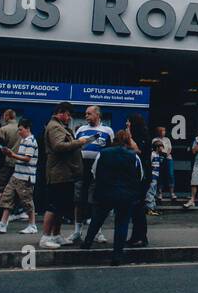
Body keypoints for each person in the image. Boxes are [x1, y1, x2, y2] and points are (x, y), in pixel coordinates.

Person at [82, 129, 143, 264]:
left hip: (105, 192)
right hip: (126, 195)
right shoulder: (134, 156)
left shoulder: (103, 154)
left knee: (97, 220)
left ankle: (87, 244)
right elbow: (140, 175)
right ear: (128, 141)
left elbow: (94, 172)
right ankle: (117, 256)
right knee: (122, 224)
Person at [40, 102, 92, 249]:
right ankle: (45, 237)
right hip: (58, 173)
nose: (69, 118)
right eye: (68, 115)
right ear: (61, 112)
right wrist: (79, 142)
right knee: (54, 206)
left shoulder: (60, 126)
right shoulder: (54, 126)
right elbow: (58, 146)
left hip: (65, 173)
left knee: (61, 207)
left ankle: (56, 235)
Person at [72, 106, 116, 243]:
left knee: (96, 202)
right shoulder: (80, 130)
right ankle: (77, 232)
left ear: (97, 115)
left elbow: (111, 151)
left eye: (89, 114)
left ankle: (98, 232)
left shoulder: (108, 131)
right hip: (81, 169)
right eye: (85, 114)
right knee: (79, 201)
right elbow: (74, 147)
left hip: (98, 171)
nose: (86, 116)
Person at [0, 118, 39, 235]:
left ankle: (32, 225)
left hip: (25, 177)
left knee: (27, 201)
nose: (19, 132)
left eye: (21, 130)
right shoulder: (23, 140)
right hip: (17, 174)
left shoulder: (30, 141)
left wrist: (12, 155)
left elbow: (27, 158)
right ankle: (3, 224)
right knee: (7, 197)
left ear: (27, 128)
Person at [125, 113, 154, 248]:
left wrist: (129, 136)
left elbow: (137, 150)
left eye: (129, 122)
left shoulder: (142, 138)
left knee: (138, 207)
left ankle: (142, 237)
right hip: (136, 175)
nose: (127, 124)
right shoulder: (141, 136)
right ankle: (136, 236)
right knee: (135, 208)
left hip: (142, 176)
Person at [153, 125, 176, 203]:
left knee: (170, 174)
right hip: (159, 159)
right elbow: (156, 149)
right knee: (160, 175)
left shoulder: (167, 139)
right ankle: (160, 193)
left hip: (168, 159)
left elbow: (169, 148)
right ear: (159, 132)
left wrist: (166, 155)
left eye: (165, 131)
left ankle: (172, 193)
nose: (164, 132)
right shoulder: (155, 139)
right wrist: (162, 155)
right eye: (163, 131)